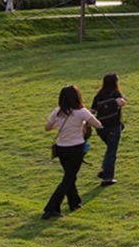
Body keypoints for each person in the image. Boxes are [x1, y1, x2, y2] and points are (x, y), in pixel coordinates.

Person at [43, 85, 102, 217]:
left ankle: (74, 203)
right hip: (76, 148)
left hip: (61, 148)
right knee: (68, 178)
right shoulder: (81, 112)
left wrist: (60, 124)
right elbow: (97, 124)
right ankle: (51, 208)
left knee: (70, 176)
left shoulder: (57, 112)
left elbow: (47, 127)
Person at [91, 73, 126, 185]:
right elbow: (121, 103)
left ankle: (104, 170)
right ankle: (107, 178)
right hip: (114, 125)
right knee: (112, 151)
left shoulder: (99, 95)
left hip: (100, 127)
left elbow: (92, 111)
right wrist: (121, 100)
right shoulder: (115, 93)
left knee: (110, 149)